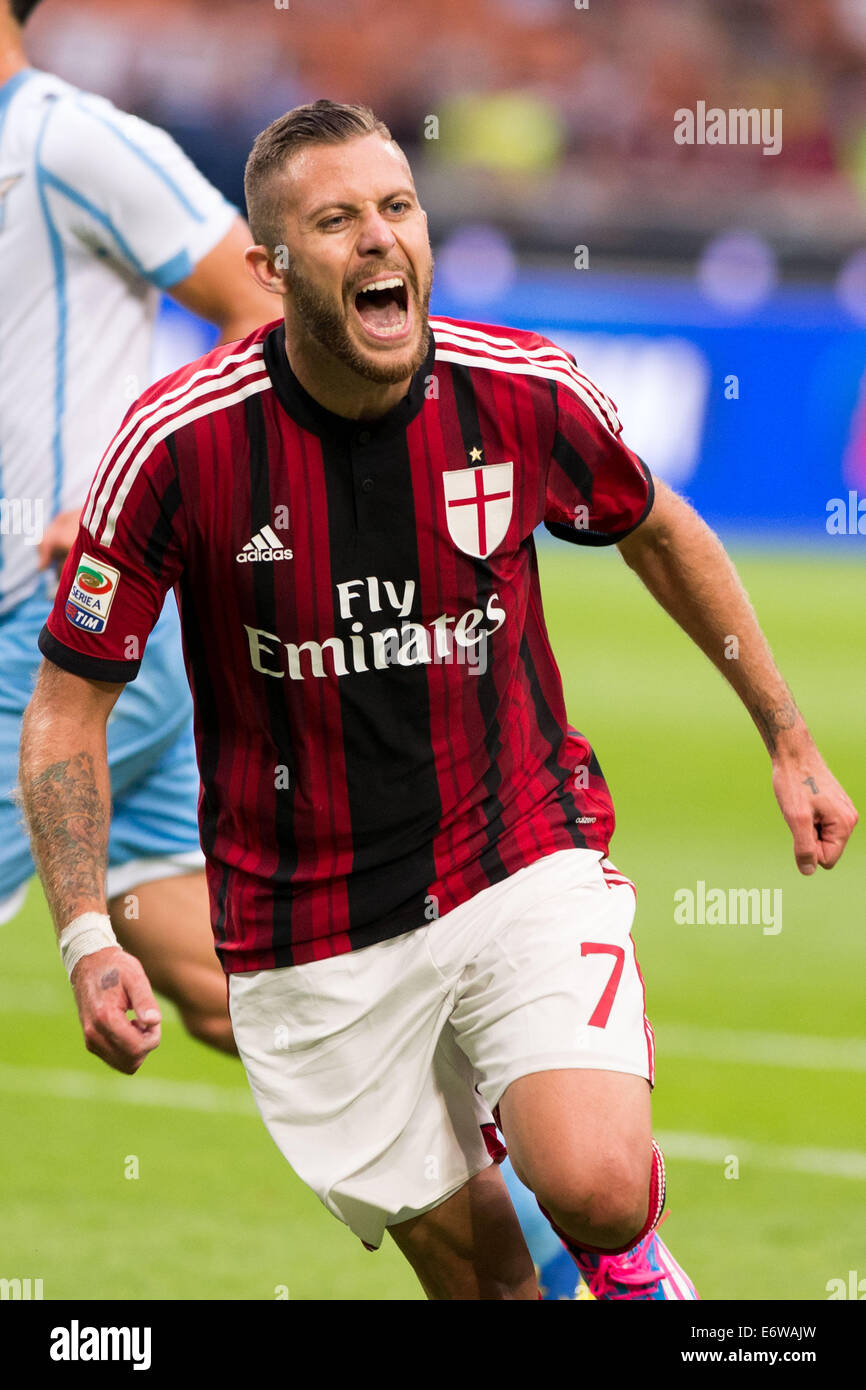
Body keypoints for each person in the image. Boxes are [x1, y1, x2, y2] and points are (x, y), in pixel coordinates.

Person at [19, 100, 857, 1302]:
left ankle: (628, 1251)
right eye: (336, 219)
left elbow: (657, 527)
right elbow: (67, 709)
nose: (378, 238)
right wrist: (88, 934)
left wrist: (786, 737)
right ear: (267, 266)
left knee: (597, 1182)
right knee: (494, 1291)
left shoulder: (516, 390)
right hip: (305, 932)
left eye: (397, 207)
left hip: (511, 849)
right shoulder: (179, 445)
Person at [0, 0, 275, 1051]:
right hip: (90, 644)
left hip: (61, 629)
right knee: (223, 988)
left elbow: (263, 307)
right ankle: (540, 1200)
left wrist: (125, 487)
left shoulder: (69, 138)